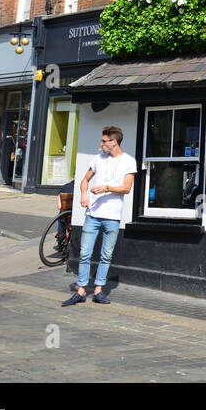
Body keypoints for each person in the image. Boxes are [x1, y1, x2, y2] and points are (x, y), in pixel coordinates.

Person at [63, 127, 136, 306]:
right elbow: (84, 180)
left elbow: (127, 188)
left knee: (106, 255)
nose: (101, 144)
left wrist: (106, 188)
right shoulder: (97, 159)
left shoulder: (129, 161)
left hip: (112, 216)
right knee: (84, 254)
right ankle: (81, 291)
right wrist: (84, 195)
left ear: (114, 142)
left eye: (104, 141)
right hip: (93, 214)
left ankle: (98, 291)